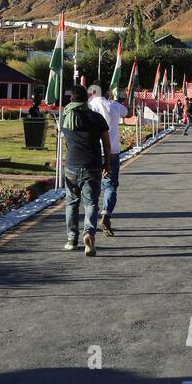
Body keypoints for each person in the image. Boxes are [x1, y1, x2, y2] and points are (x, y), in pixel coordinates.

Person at [59, 85, 113, 256]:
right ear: (87, 98)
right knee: (91, 203)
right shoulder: (96, 118)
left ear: (71, 99)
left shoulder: (65, 119)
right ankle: (89, 233)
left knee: (72, 203)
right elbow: (106, 143)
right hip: (93, 166)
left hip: (72, 166)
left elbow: (67, 141)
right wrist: (108, 163)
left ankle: (71, 239)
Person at [87, 84, 129, 238]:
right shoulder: (113, 105)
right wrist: (120, 100)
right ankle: (105, 215)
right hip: (112, 152)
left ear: (91, 93)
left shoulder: (88, 106)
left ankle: (89, 224)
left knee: (91, 187)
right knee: (110, 185)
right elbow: (127, 113)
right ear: (105, 93)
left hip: (93, 151)